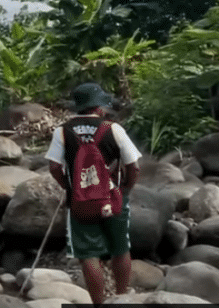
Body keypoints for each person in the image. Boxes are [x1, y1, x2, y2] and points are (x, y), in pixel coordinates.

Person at [45, 82, 141, 307]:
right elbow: (133, 165)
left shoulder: (63, 131)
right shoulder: (113, 129)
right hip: (113, 197)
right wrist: (126, 189)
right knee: (120, 247)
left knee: (88, 254)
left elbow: (53, 167)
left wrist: (69, 188)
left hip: (80, 202)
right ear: (98, 107)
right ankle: (121, 296)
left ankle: (99, 304)